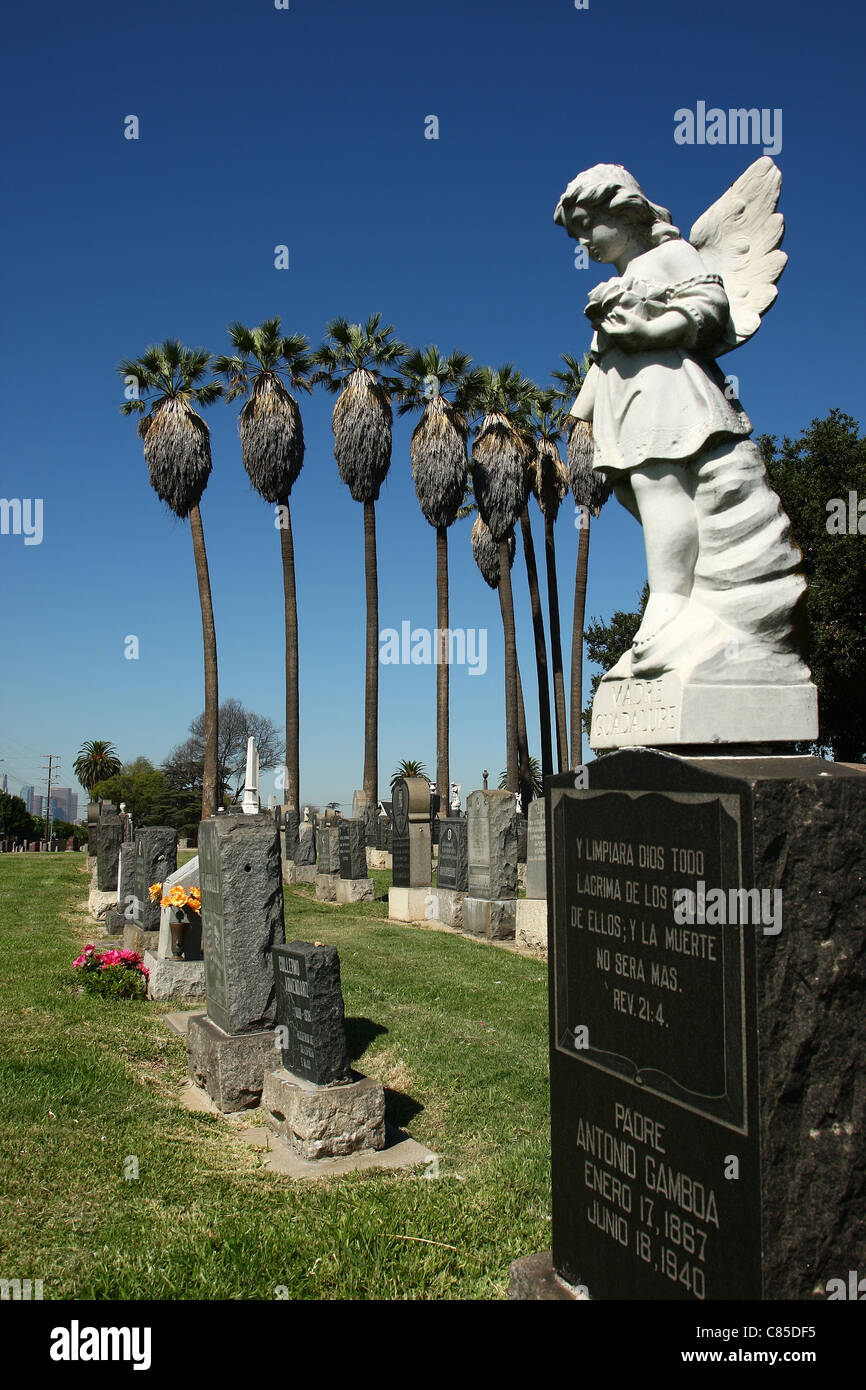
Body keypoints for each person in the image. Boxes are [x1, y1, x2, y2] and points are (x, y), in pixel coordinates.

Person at [554, 163, 807, 684]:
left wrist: (650, 330)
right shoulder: (619, 281)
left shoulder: (670, 255)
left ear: (623, 211)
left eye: (588, 225)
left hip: (665, 389)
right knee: (637, 493)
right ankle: (681, 594)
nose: (585, 242)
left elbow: (710, 305)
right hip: (625, 402)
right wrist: (579, 414)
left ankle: (670, 602)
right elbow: (602, 361)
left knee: (660, 489)